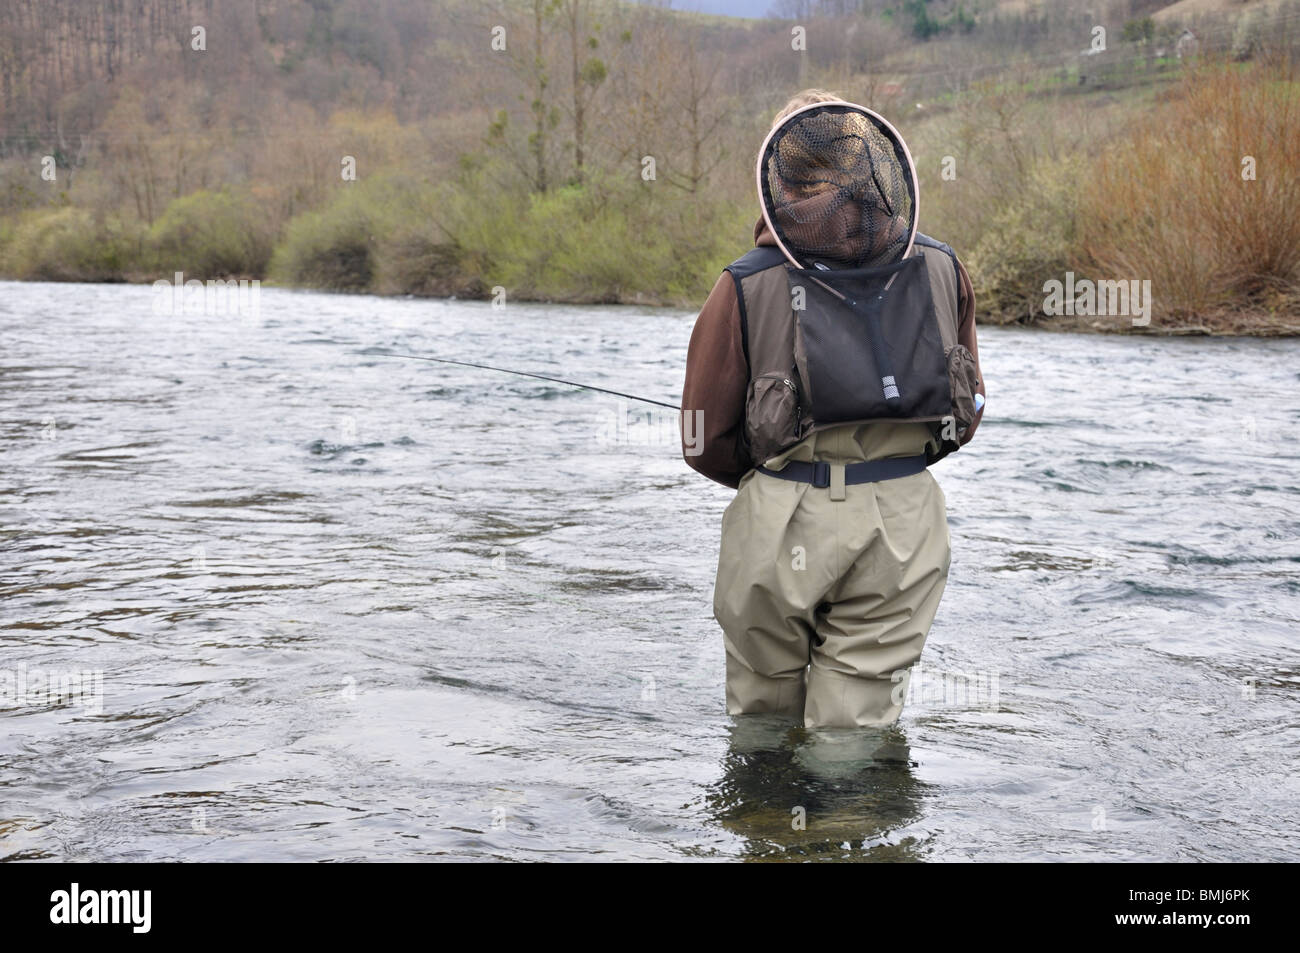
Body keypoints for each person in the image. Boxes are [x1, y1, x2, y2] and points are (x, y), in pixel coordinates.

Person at [680, 89, 985, 729]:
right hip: (904, 520)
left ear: (776, 180)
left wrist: (774, 480)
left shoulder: (742, 282)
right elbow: (965, 414)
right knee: (856, 727)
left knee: (762, 720)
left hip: (780, 514)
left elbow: (701, 439)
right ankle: (850, 822)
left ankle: (766, 823)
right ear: (874, 164)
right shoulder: (943, 267)